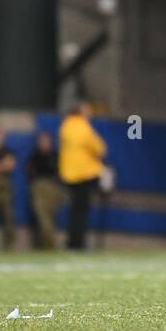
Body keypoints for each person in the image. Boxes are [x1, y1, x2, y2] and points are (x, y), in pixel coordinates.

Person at [59, 101, 107, 251]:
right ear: (80, 112)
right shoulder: (83, 127)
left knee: (75, 210)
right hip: (83, 174)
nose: (90, 113)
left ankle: (72, 241)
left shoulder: (66, 126)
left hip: (69, 174)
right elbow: (100, 148)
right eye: (87, 110)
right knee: (82, 211)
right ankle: (78, 243)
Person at [27, 132, 64, 250]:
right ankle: (51, 246)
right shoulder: (35, 156)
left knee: (51, 218)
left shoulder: (55, 155)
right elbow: (29, 171)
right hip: (39, 187)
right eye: (42, 141)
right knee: (43, 218)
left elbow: (60, 172)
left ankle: (48, 246)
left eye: (46, 141)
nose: (44, 144)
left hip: (53, 187)